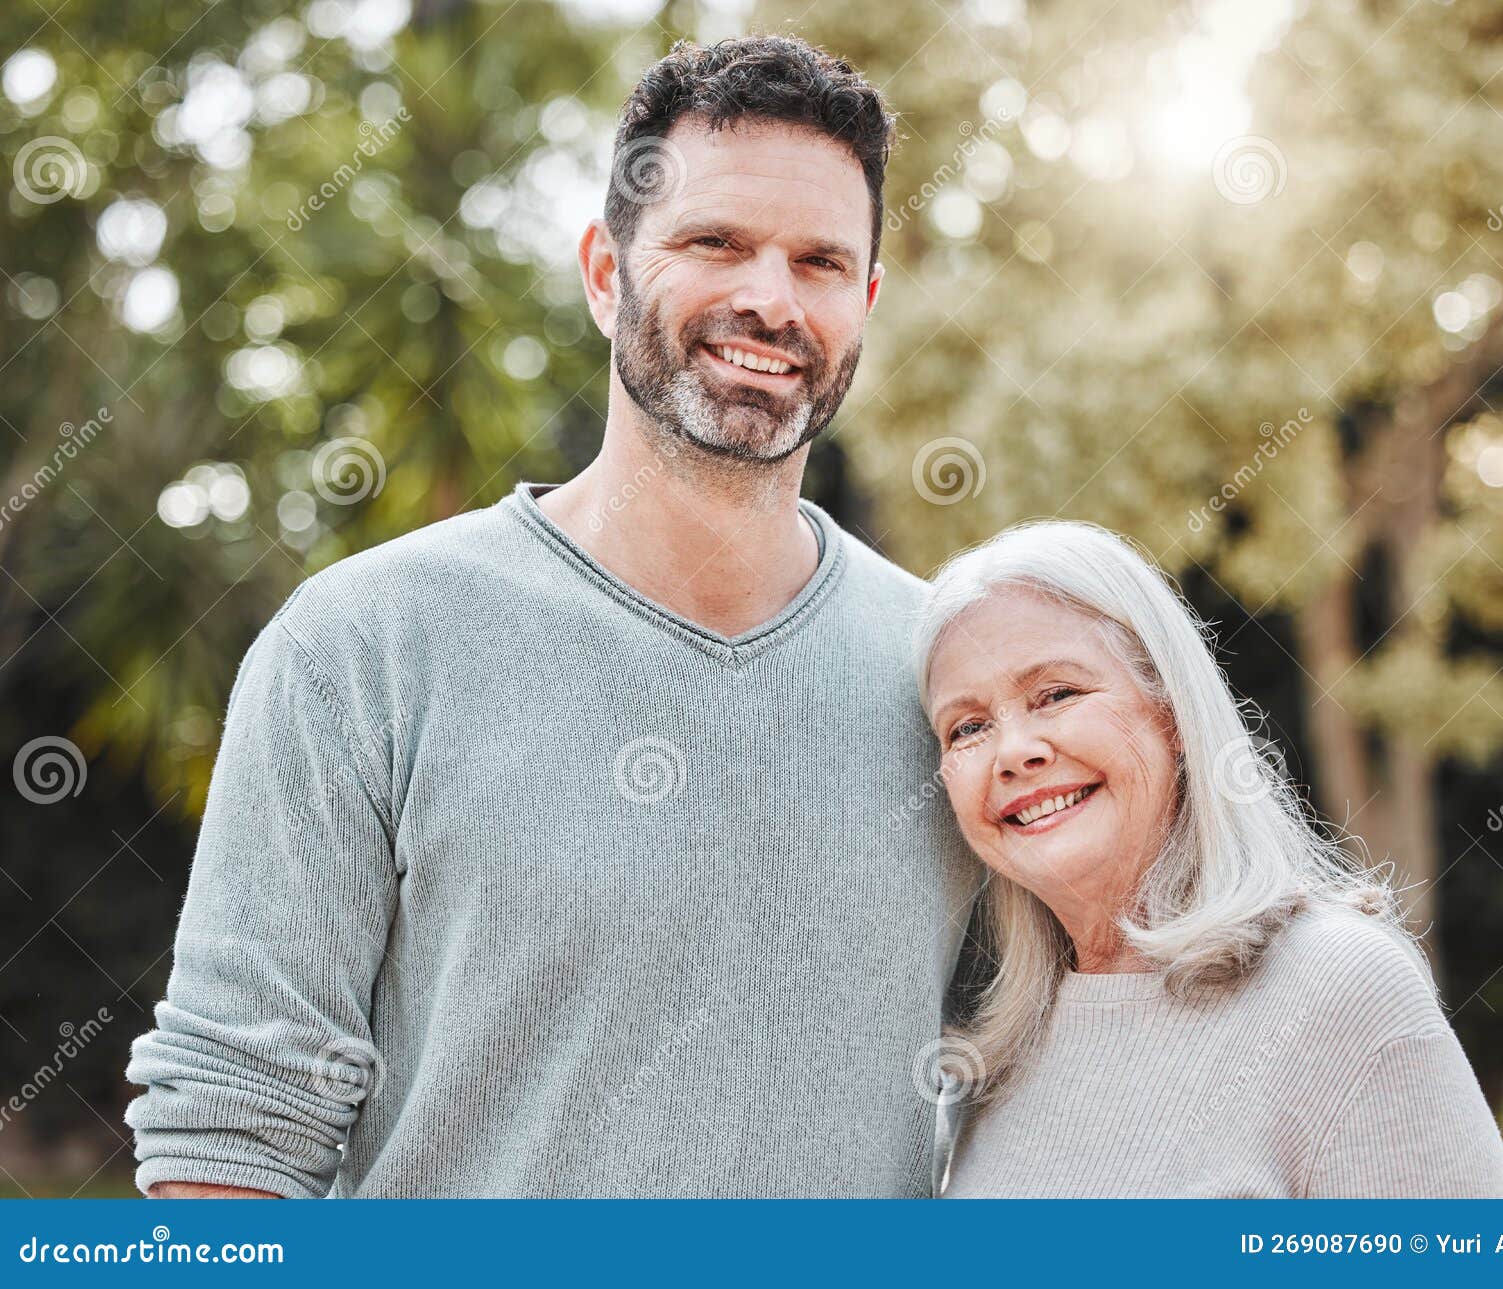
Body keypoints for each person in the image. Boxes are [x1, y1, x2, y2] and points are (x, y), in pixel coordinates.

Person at [124, 35, 981, 1199]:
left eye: (821, 262)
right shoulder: (363, 648)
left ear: (864, 301)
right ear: (603, 270)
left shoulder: (953, 676)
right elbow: (232, 1125)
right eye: (712, 242)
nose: (768, 300)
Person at [916, 520, 1503, 1198]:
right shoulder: (999, 1050)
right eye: (967, 726)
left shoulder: (1339, 987)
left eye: (1057, 693)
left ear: (1171, 711)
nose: (1013, 749)